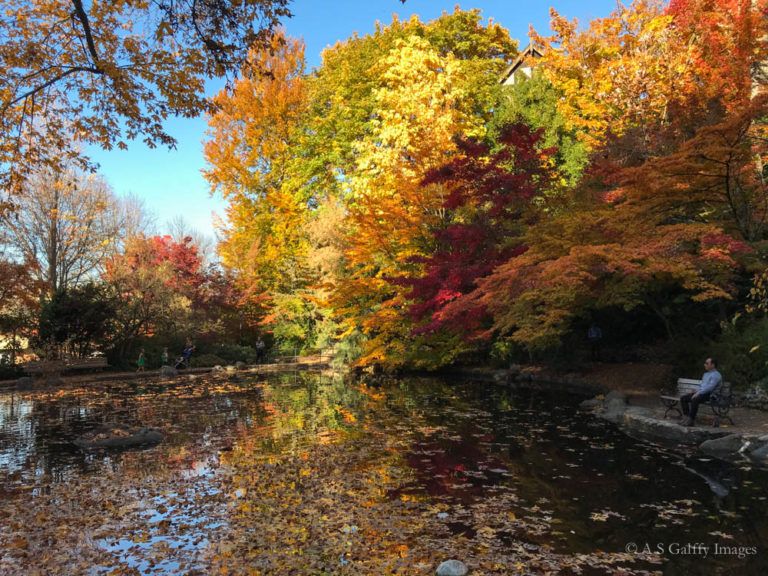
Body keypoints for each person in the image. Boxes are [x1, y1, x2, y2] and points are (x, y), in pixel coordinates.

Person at [680, 357, 722, 427]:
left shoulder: (716, 375)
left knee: (695, 399)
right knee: (684, 398)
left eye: (707, 363)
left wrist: (699, 393)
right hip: (703, 393)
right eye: (705, 363)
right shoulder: (705, 374)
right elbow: (702, 386)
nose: (704, 365)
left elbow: (710, 388)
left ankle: (691, 420)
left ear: (713, 365)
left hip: (711, 395)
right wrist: (696, 390)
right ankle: (686, 418)